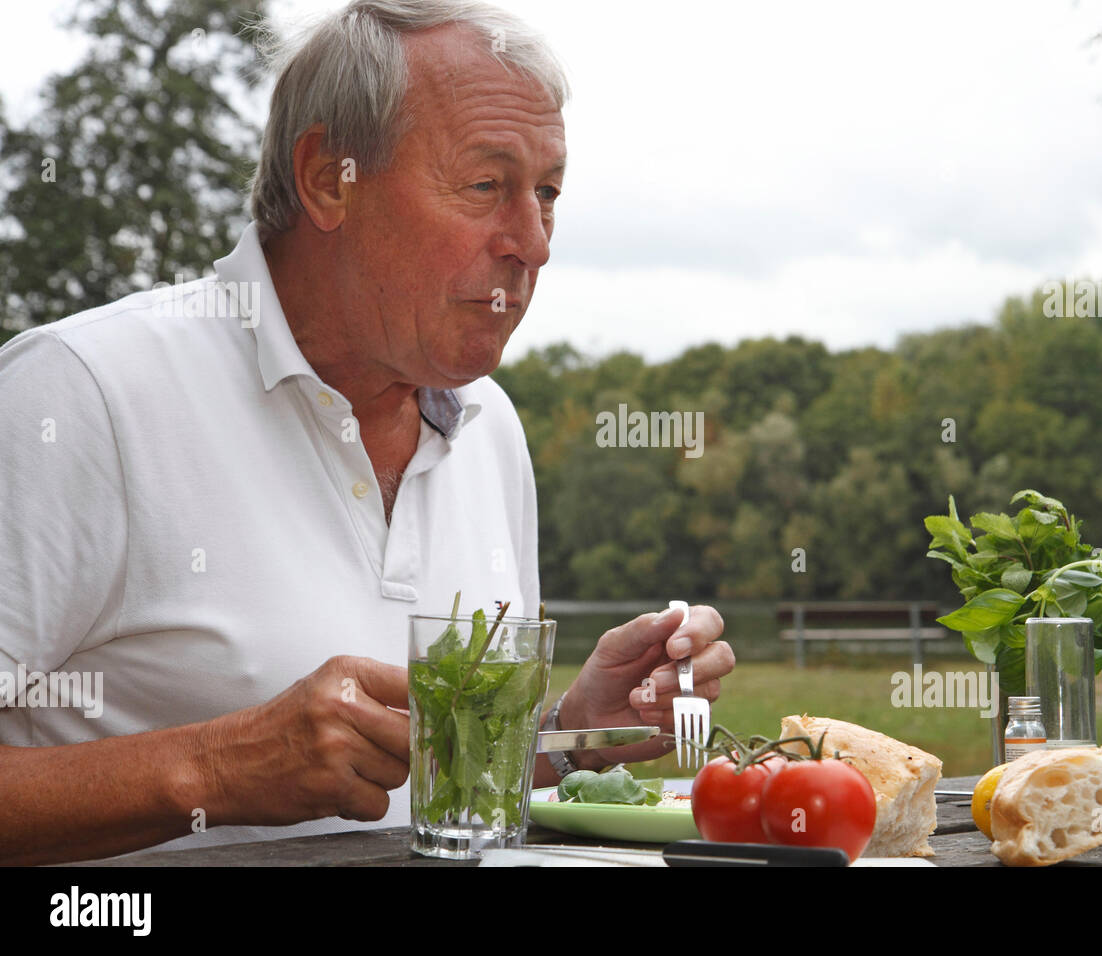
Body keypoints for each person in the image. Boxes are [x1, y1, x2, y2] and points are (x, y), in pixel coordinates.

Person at [0, 0, 735, 865]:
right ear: (327, 179)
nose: (532, 245)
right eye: (486, 185)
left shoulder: (491, 426)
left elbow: (434, 804)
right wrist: (214, 769)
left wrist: (570, 734)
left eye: (547, 193)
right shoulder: (78, 393)